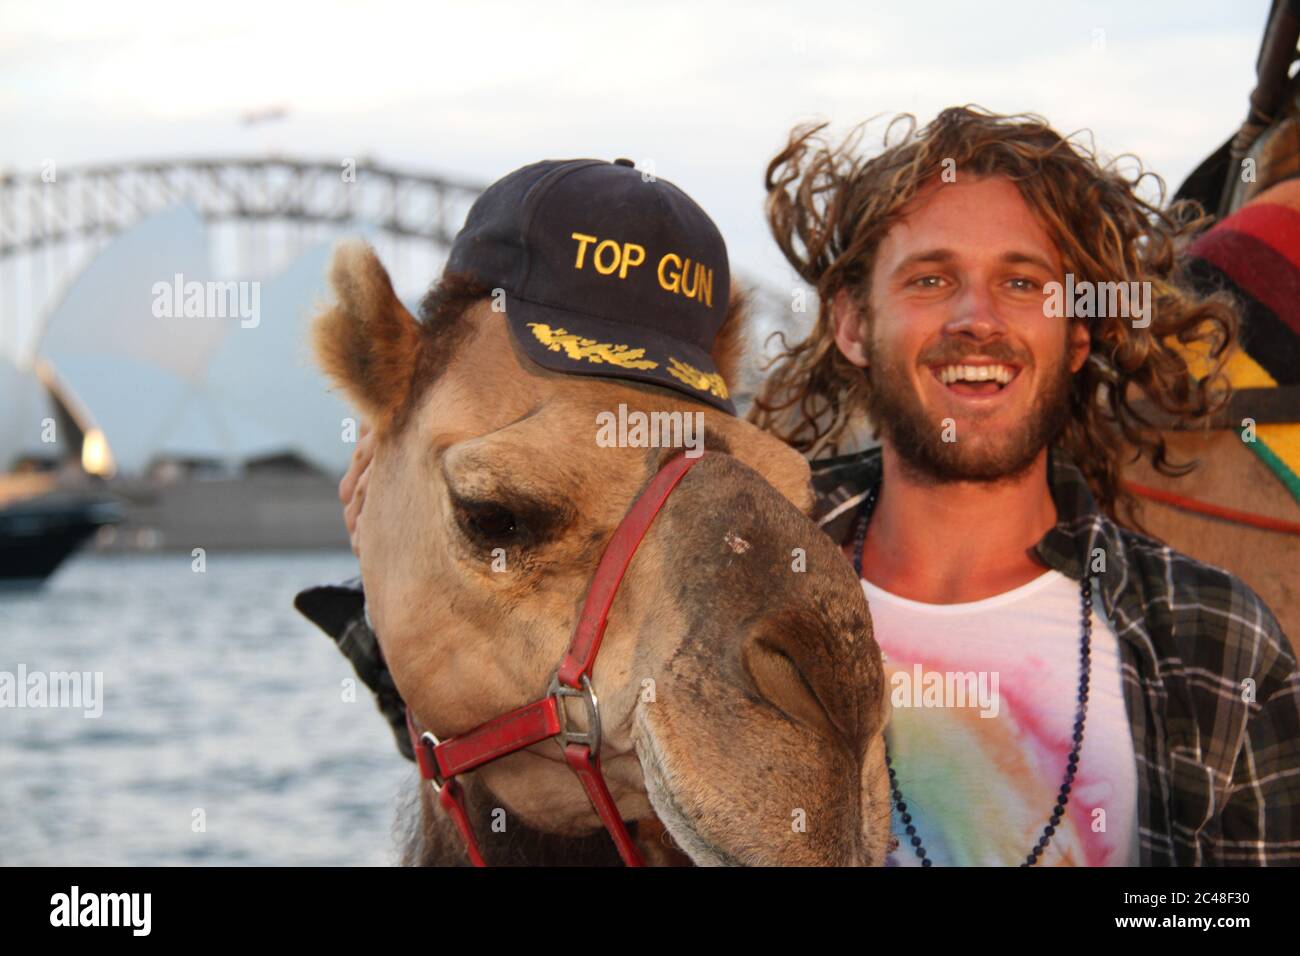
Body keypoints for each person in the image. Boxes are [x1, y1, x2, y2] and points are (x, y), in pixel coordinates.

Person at [305, 110, 1300, 866]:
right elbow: (536, 693)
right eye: (928, 279)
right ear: (853, 325)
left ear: (1075, 331)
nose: (975, 317)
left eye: (1022, 283)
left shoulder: (1214, 638)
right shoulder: (731, 549)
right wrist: (399, 543)